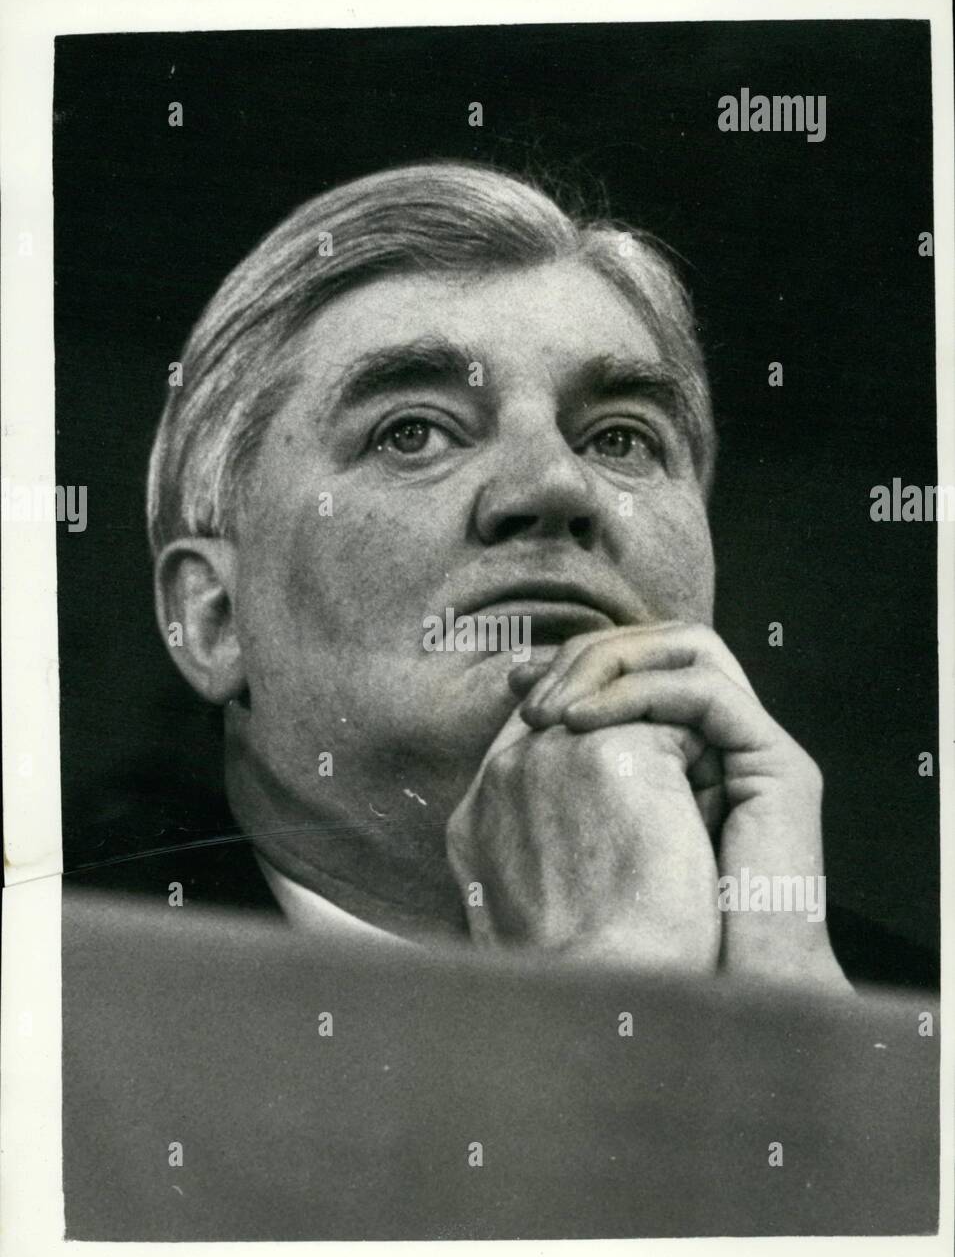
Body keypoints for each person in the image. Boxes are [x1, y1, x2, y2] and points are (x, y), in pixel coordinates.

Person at [137, 160, 872, 986]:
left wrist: (796, 1027)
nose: (555, 487)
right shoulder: (48, 988)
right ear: (215, 620)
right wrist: (612, 994)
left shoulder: (903, 1005)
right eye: (412, 432)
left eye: (618, 439)